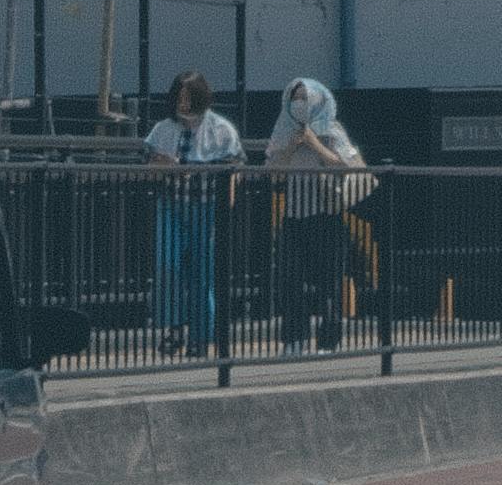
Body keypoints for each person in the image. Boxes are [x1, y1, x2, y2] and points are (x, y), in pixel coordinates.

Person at [261, 72, 374, 339]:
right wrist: (289, 149)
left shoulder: (332, 130)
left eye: (304, 98)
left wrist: (316, 145)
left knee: (329, 282)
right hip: (293, 215)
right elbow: (272, 172)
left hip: (326, 213)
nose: (298, 104)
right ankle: (293, 337)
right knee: (290, 282)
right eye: (294, 99)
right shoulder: (283, 130)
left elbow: (350, 167)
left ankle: (329, 337)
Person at [144, 69, 242, 355]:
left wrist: (226, 207)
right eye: (179, 97)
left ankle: (201, 337)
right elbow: (146, 162)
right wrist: (162, 165)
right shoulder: (163, 129)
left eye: (189, 97)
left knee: (203, 274)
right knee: (168, 265)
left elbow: (234, 169)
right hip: (171, 203)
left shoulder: (221, 129)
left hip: (207, 206)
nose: (183, 103)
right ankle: (173, 327)